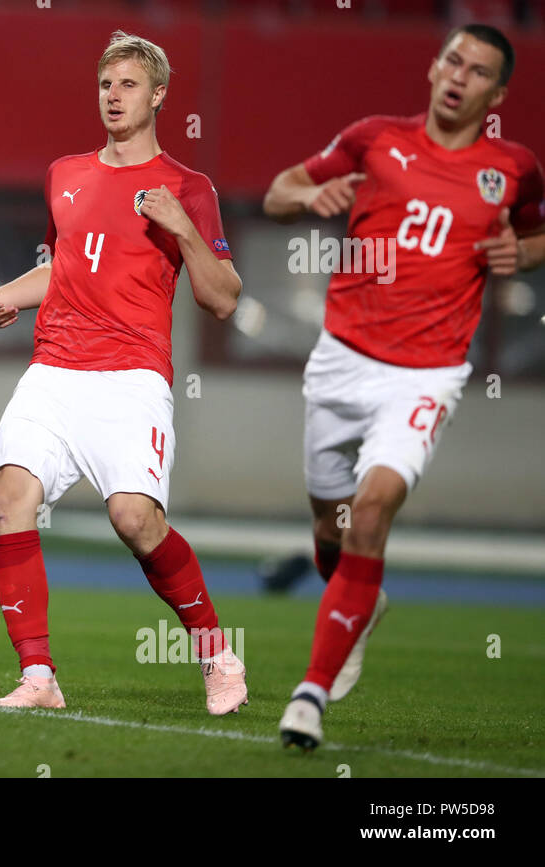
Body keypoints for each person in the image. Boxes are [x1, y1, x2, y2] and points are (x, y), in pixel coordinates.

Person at [262, 23, 544, 750]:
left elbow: (539, 234)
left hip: (427, 373)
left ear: (497, 92)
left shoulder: (513, 169)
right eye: (453, 59)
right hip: (341, 358)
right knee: (331, 530)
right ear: (433, 65)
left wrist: (526, 250)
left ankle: (310, 695)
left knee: (374, 504)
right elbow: (278, 194)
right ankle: (359, 600)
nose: (460, 75)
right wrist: (311, 196)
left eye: (478, 70)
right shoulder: (372, 139)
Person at [0, 31, 247, 714]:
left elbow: (222, 296)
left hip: (131, 378)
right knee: (8, 496)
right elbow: (64, 267)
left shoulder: (190, 187)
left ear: (158, 96)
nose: (114, 96)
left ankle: (216, 654)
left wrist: (182, 229)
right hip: (55, 368)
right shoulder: (65, 173)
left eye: (128, 85)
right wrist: (6, 294)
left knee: (134, 519)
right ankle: (39, 678)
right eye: (105, 85)